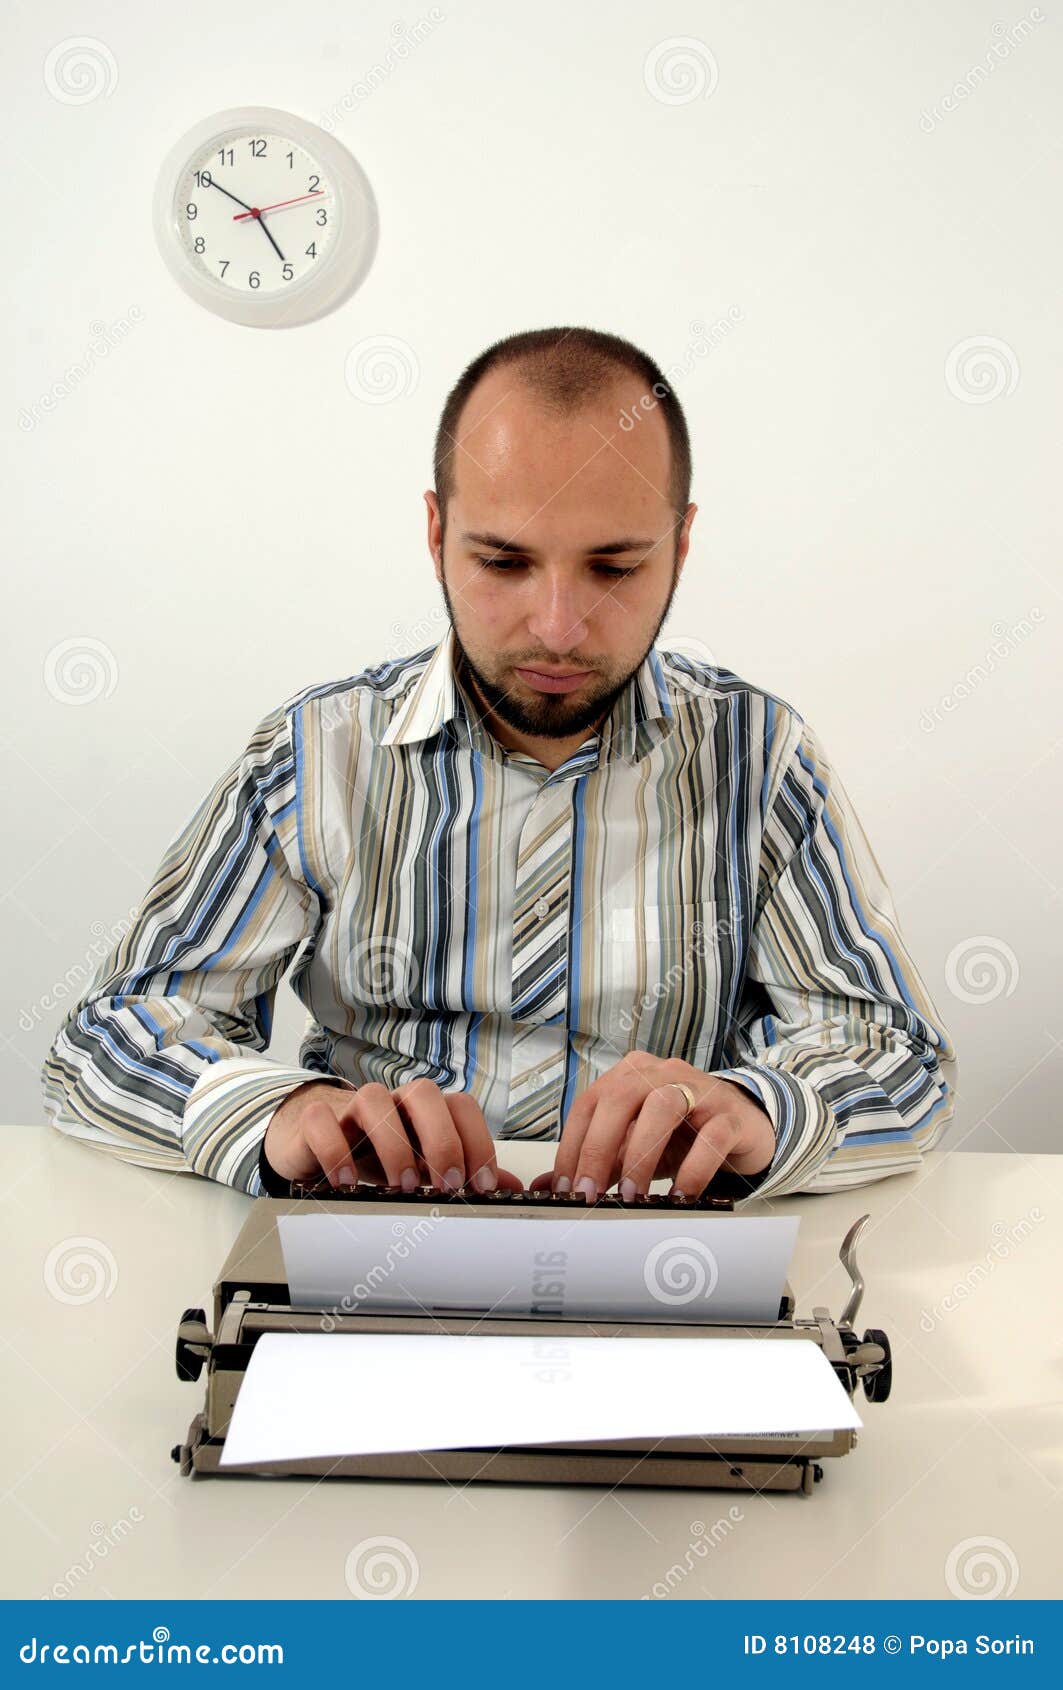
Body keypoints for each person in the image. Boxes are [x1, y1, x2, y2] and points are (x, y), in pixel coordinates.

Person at [41, 326, 956, 1203]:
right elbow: (105, 1043)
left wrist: (760, 1111)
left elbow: (893, 1055)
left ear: (680, 545)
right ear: (436, 534)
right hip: (370, 1248)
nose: (557, 627)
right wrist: (277, 1112)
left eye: (614, 568)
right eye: (504, 561)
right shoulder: (316, 754)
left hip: (668, 1265)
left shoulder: (759, 760)